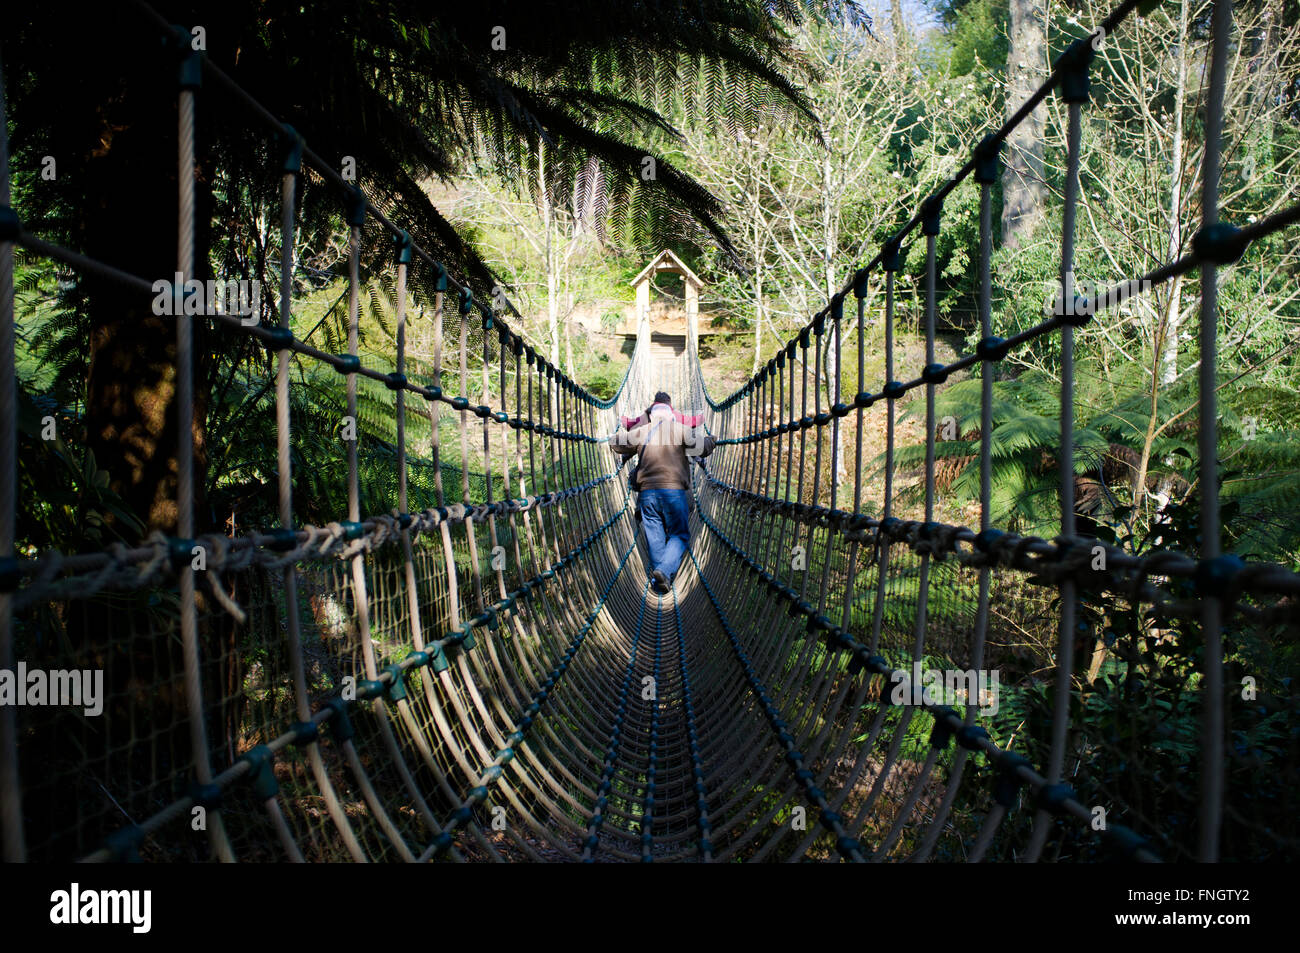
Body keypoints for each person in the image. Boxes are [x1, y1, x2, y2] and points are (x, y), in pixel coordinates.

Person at [611, 391, 715, 595]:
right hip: (674, 492)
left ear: (652, 416)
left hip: (647, 495)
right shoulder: (680, 430)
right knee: (679, 535)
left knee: (655, 538)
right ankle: (664, 571)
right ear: (670, 414)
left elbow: (618, 444)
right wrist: (713, 439)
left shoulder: (642, 431)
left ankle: (660, 580)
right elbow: (703, 448)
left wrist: (613, 437)